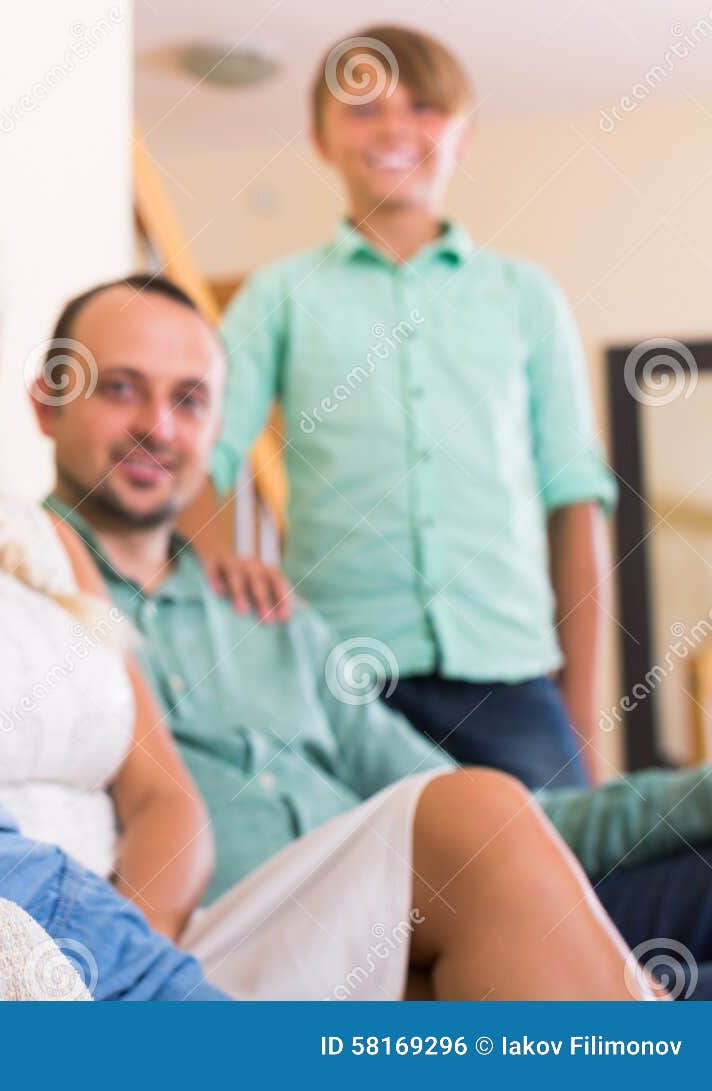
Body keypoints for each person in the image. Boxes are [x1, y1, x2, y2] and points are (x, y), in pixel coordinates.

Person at [0, 161, 657, 999]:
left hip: (150, 938)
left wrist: (130, 964)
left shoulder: (44, 543)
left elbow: (166, 799)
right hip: (2, 953)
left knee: (479, 815)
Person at [36, 271, 712, 999]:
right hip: (269, 963)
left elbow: (507, 822)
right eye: (120, 389)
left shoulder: (272, 622)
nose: (159, 427)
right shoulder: (17, 591)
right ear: (48, 401)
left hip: (428, 925)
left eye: (189, 400)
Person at [179, 25, 617, 789]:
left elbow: (575, 499)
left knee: (564, 883)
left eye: (422, 107)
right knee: (368, 896)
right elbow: (199, 450)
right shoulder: (279, 295)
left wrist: (582, 721)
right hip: (342, 675)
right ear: (318, 137)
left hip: (511, 675)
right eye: (362, 109)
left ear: (464, 135)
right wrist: (221, 565)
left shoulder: (525, 297)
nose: (392, 128)